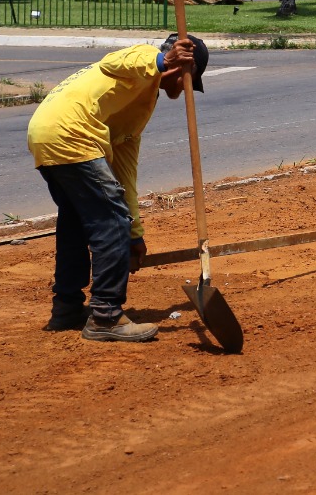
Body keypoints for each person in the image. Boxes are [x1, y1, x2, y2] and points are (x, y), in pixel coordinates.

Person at [27, 33, 208, 343]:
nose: (182, 90)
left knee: (77, 222)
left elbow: (125, 171)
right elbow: (119, 60)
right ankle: (106, 315)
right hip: (71, 134)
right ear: (180, 73)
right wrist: (165, 59)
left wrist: (135, 234)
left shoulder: (140, 101)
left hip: (48, 134)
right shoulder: (141, 60)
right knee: (112, 220)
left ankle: (67, 308)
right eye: (188, 81)